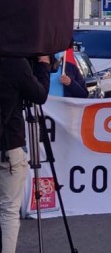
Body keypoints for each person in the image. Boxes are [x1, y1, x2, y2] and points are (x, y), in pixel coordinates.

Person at [0, 56, 50, 253]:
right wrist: (43, 65)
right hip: (9, 146)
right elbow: (40, 95)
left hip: (8, 148)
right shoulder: (14, 63)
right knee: (9, 210)